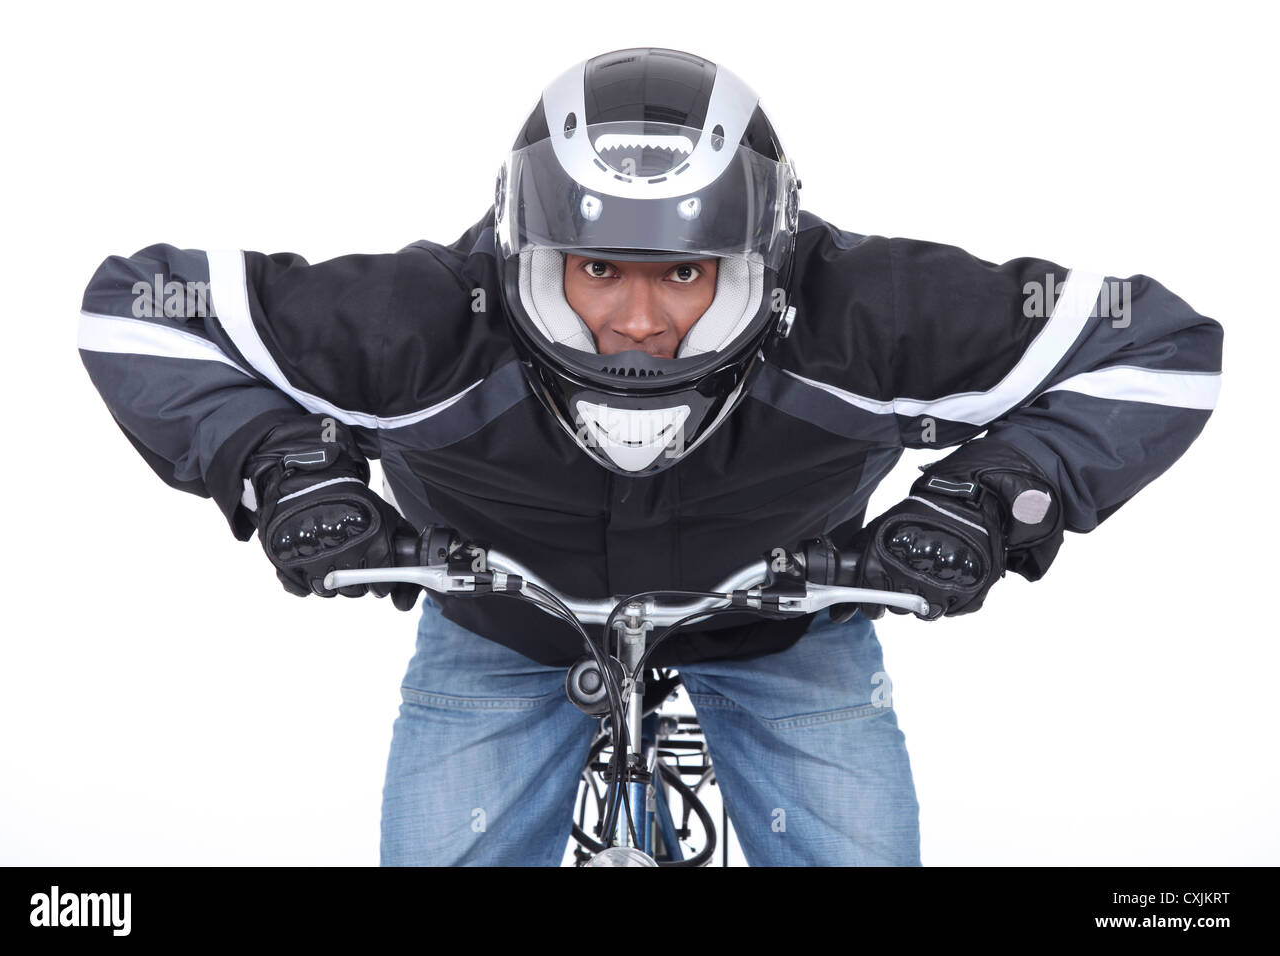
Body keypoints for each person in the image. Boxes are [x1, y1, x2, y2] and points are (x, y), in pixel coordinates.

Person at [77, 47, 1223, 866]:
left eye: (684, 272)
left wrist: (986, 497)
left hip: (786, 629)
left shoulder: (867, 304)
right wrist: (283, 463)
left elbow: (1152, 337)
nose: (634, 318)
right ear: (527, 245)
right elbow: (138, 306)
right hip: (504, 632)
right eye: (595, 267)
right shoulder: (422, 315)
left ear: (765, 251)